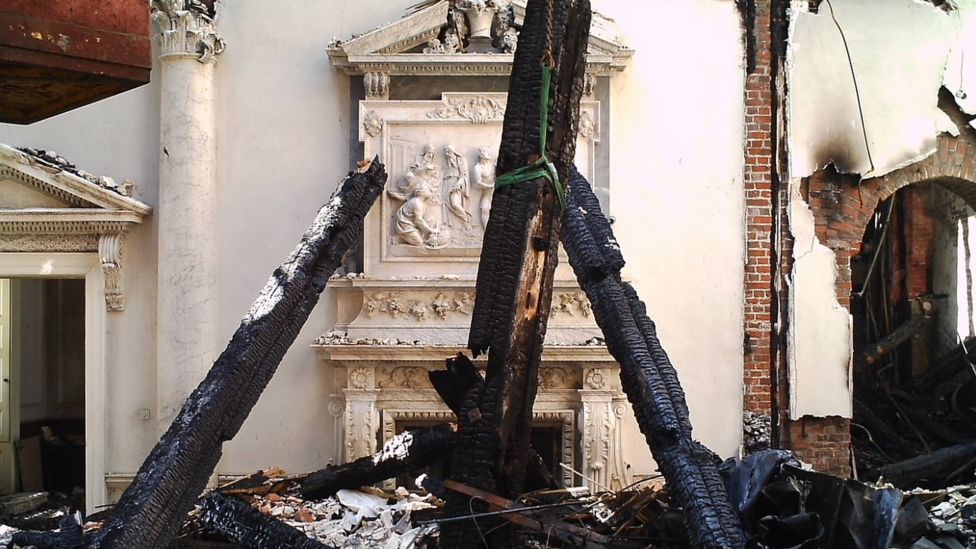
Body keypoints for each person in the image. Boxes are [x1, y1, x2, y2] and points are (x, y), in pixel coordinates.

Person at [443, 145, 471, 227]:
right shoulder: (446, 162)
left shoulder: (462, 160)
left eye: (449, 152)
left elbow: (464, 174)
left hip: (457, 184)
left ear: (454, 152)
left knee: (455, 204)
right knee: (447, 203)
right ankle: (451, 224)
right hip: (447, 184)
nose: (447, 154)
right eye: (446, 152)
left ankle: (466, 220)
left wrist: (458, 184)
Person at [472, 146, 495, 230]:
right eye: (486, 152)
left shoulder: (493, 165)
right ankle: (487, 231)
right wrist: (489, 186)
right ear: (481, 155)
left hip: (497, 191)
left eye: (489, 152)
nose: (488, 154)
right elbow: (477, 182)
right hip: (487, 193)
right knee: (485, 209)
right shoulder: (477, 168)